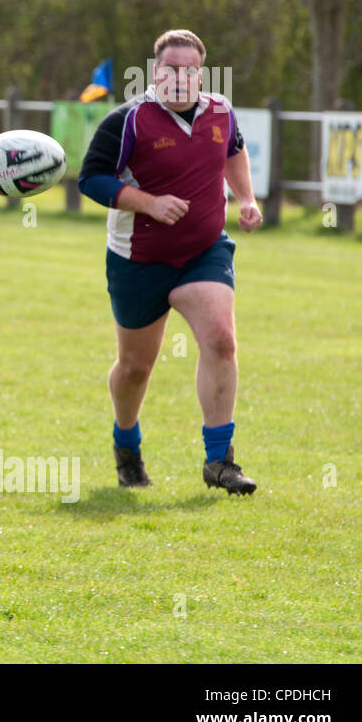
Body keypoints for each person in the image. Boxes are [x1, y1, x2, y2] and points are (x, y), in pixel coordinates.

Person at [77, 29, 262, 495]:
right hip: (138, 260)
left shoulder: (220, 111)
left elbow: (233, 151)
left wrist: (245, 198)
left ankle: (220, 461)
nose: (180, 76)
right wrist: (147, 202)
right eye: (170, 69)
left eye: (189, 69)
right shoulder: (129, 120)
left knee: (221, 340)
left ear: (201, 72)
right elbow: (90, 179)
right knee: (136, 367)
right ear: (156, 72)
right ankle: (126, 443)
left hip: (203, 252)